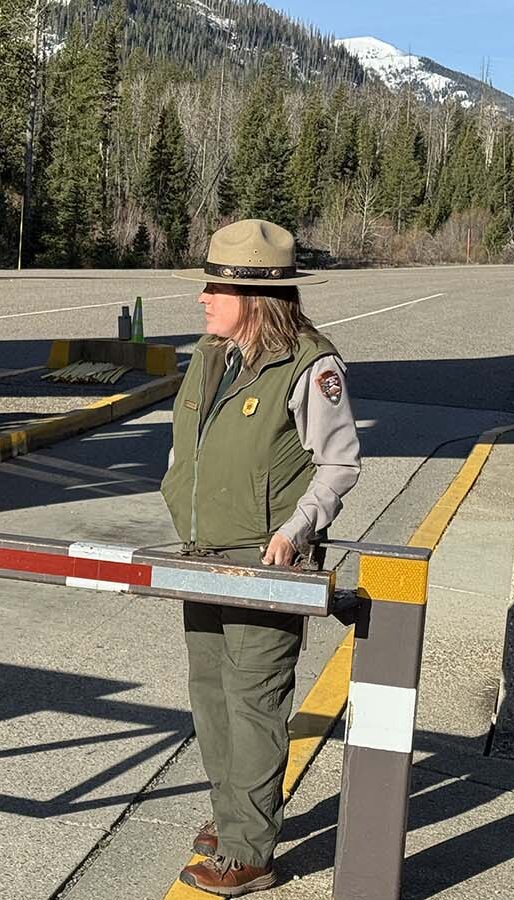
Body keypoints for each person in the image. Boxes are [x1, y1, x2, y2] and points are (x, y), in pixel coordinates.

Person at [160, 219, 361, 896]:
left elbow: (339, 462)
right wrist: (178, 491)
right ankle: (233, 818)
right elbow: (188, 442)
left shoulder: (310, 366)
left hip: (264, 560)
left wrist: (297, 531)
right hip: (202, 551)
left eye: (216, 288)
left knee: (254, 700)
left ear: (255, 296)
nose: (203, 298)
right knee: (211, 694)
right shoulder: (212, 354)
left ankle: (249, 852)